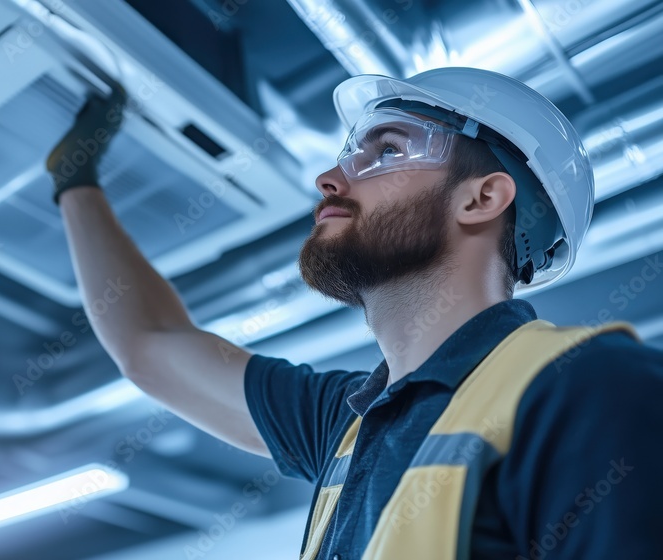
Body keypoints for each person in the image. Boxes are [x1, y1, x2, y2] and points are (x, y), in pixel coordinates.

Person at [45, 67, 663, 559]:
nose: (330, 178)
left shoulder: (589, 386)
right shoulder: (348, 425)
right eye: (347, 154)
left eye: (386, 149)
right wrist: (76, 184)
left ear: (482, 198)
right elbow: (150, 343)